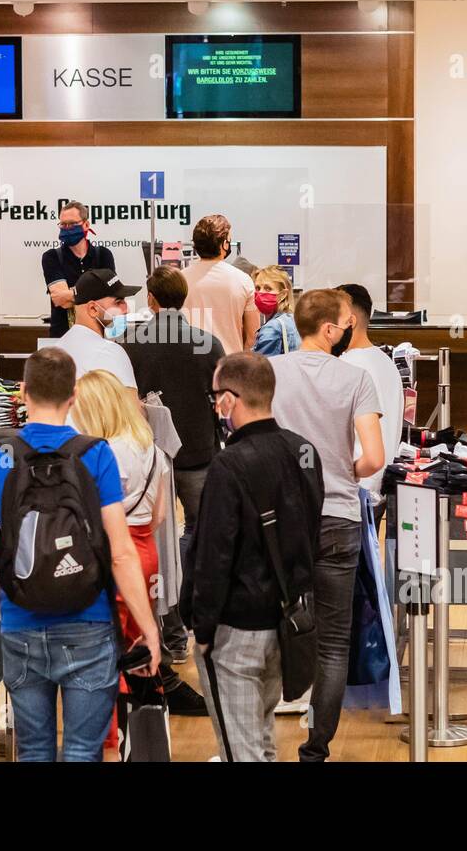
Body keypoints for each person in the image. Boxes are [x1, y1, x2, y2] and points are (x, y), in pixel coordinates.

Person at [0, 347, 161, 762]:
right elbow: (121, 554)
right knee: (84, 751)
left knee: (33, 751)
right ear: (73, 396)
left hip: (21, 627)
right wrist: (148, 628)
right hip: (89, 623)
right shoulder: (97, 455)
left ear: (23, 392)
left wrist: (6, 610)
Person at [184, 352, 323, 762]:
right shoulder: (304, 451)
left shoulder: (229, 465)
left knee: (240, 750)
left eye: (215, 398)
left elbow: (213, 556)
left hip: (236, 627)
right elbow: (310, 531)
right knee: (262, 739)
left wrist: (202, 629)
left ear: (229, 399)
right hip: (287, 620)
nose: (214, 407)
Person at [267, 288, 384, 761]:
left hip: (279, 520)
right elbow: (373, 456)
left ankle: (259, 735)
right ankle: (316, 748)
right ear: (332, 329)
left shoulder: (269, 374)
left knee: (273, 628)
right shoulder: (356, 380)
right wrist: (339, 469)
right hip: (337, 516)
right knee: (334, 642)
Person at [72, 369, 208, 719]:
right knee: (141, 638)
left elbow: (96, 514)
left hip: (116, 552)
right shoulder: (151, 447)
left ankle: (115, 729)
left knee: (112, 643)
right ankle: (149, 718)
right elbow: (162, 513)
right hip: (146, 548)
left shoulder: (104, 454)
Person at [121, 265, 225, 663]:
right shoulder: (207, 342)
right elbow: (222, 401)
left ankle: (167, 630)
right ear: (185, 299)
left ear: (150, 299)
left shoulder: (131, 343)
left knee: (153, 540)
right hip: (198, 454)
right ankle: (195, 622)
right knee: (198, 536)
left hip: (150, 458)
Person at [335, 283, 403, 499]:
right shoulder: (386, 362)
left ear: (350, 321)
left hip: (353, 486)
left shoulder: (346, 365)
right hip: (380, 483)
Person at [182, 214, 259, 354]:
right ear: (224, 244)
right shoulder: (243, 280)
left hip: (192, 364)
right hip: (230, 365)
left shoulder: (180, 279)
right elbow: (252, 337)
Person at [55, 267, 139, 395]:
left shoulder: (56, 350)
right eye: (118, 302)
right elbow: (132, 410)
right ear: (93, 309)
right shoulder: (110, 352)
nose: (126, 309)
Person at [42, 200, 116, 337]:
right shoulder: (52, 257)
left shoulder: (103, 255)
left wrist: (71, 293)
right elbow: (60, 300)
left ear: (86, 225)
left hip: (99, 335)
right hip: (63, 336)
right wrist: (95, 293)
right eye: (63, 224)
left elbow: (109, 297)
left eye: (72, 224)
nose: (67, 228)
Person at [251, 265, 300, 356]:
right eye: (257, 288)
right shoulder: (293, 319)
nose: (261, 293)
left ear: (283, 295)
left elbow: (261, 367)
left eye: (268, 288)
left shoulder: (272, 328)